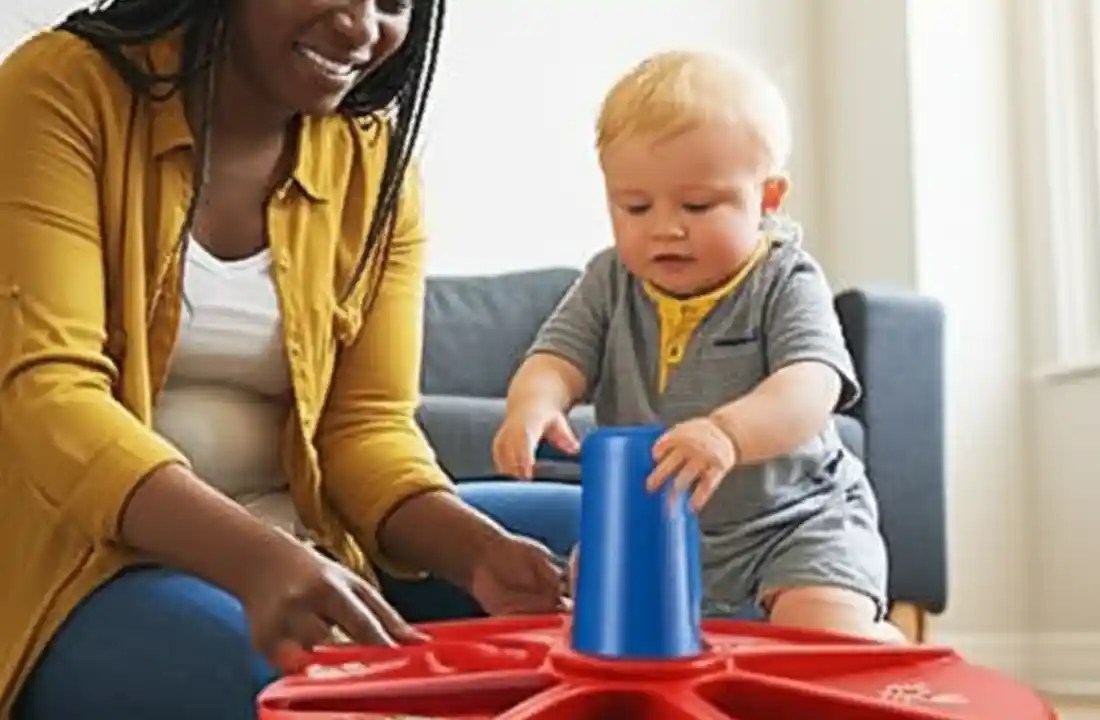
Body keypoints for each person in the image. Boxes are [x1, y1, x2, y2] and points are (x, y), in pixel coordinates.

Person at [0, 2, 577, 718]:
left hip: (306, 537)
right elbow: (48, 394)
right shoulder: (61, 90)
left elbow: (365, 427)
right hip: (90, 562)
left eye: (393, 2)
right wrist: (256, 561)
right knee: (285, 688)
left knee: (597, 536)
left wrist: (474, 551)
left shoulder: (372, 163)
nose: (361, 26)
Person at [493, 50, 901, 641]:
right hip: (654, 524)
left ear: (767, 199)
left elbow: (811, 384)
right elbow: (556, 359)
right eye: (635, 206)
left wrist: (727, 433)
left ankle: (876, 651)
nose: (665, 227)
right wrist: (531, 405)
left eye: (698, 205)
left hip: (794, 524)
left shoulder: (784, 278)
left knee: (820, 636)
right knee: (601, 633)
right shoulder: (610, 280)